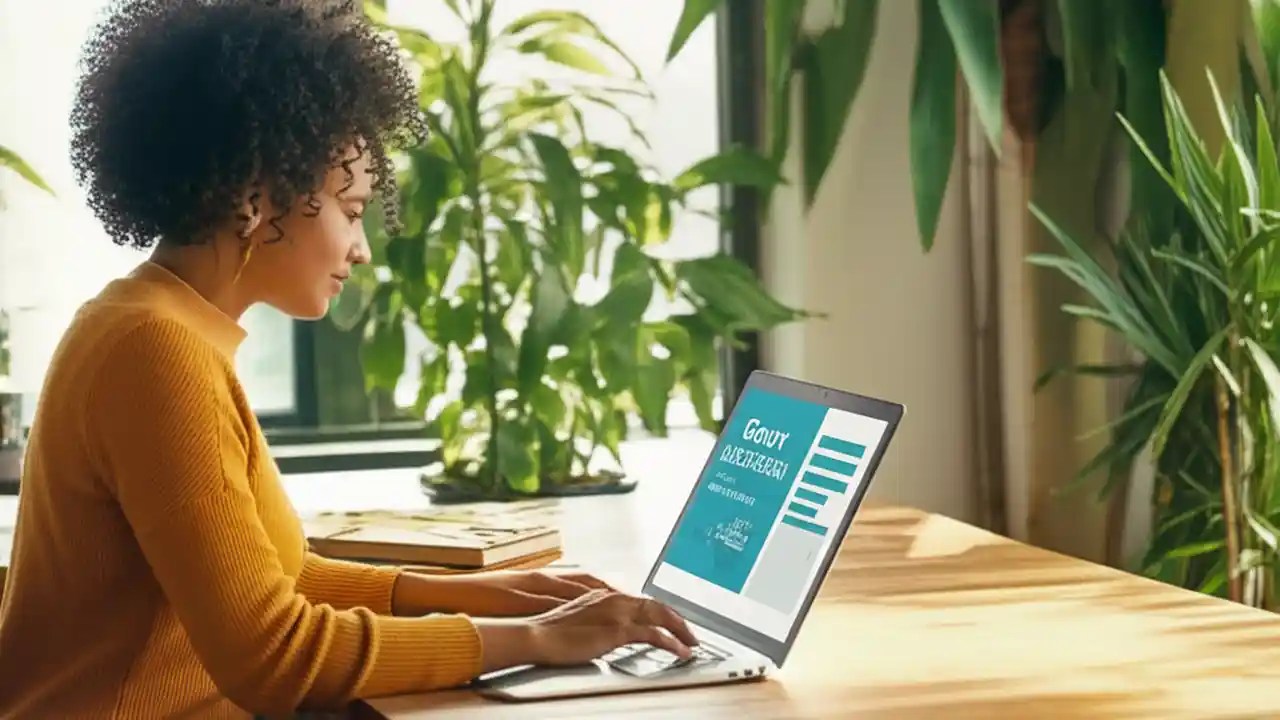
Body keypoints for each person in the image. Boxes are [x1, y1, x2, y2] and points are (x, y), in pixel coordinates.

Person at [0, 1, 695, 717]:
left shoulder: (156, 326)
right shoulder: (155, 355)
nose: (361, 247)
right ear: (255, 200)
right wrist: (534, 640)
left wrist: (485, 595)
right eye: (352, 208)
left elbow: (277, 578)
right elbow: (276, 657)